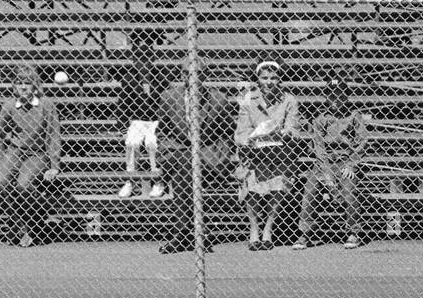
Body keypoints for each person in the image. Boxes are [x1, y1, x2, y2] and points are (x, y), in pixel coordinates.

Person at [155, 58, 234, 254]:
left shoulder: (218, 99)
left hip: (208, 155)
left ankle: (182, 233)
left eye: (198, 73)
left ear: (205, 76)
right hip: (180, 151)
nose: (192, 78)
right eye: (186, 73)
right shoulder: (168, 97)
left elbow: (228, 130)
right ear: (181, 76)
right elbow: (163, 130)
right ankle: (197, 232)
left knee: (185, 169)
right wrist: (170, 149)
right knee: (185, 165)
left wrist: (220, 152)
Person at [0, 66, 62, 248]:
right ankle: (19, 223)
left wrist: (54, 164)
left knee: (23, 185)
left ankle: (37, 217)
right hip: (16, 150)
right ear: (14, 86)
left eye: (27, 83)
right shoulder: (9, 105)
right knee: (0, 182)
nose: (23, 87)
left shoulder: (46, 105)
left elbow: (53, 134)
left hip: (37, 152)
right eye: (19, 83)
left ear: (35, 86)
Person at [235, 60, 300, 250]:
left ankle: (268, 230)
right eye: (264, 78)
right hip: (255, 153)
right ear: (258, 79)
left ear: (279, 79)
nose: (269, 82)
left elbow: (293, 127)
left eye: (273, 78)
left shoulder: (289, 100)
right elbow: (241, 130)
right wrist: (248, 139)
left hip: (279, 152)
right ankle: (254, 229)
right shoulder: (248, 99)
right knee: (251, 182)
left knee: (278, 183)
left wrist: (286, 133)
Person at [296, 77, 366, 251]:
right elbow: (318, 145)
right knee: (309, 191)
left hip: (344, 161)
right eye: (332, 95)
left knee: (349, 191)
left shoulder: (354, 115)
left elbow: (362, 140)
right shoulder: (321, 117)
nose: (336, 100)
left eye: (340, 95)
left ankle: (353, 231)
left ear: (346, 97)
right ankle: (306, 233)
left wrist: (351, 164)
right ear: (327, 97)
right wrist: (325, 170)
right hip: (324, 162)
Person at [115, 45, 163, 199]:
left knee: (152, 143)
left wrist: (163, 125)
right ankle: (130, 180)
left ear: (153, 59)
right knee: (131, 142)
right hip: (137, 120)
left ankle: (158, 180)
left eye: (147, 58)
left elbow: (166, 103)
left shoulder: (160, 77)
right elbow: (122, 105)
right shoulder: (130, 79)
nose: (144, 62)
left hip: (155, 120)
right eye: (140, 59)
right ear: (135, 61)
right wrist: (123, 128)